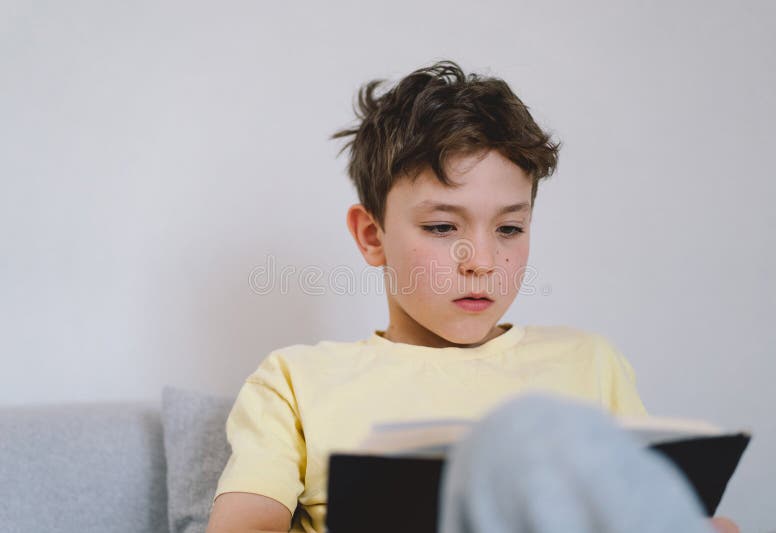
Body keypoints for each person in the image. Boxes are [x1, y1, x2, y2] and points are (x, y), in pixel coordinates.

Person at [205, 60, 738, 533]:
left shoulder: (590, 364)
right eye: (441, 228)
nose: (482, 261)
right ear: (372, 236)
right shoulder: (295, 382)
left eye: (509, 229)